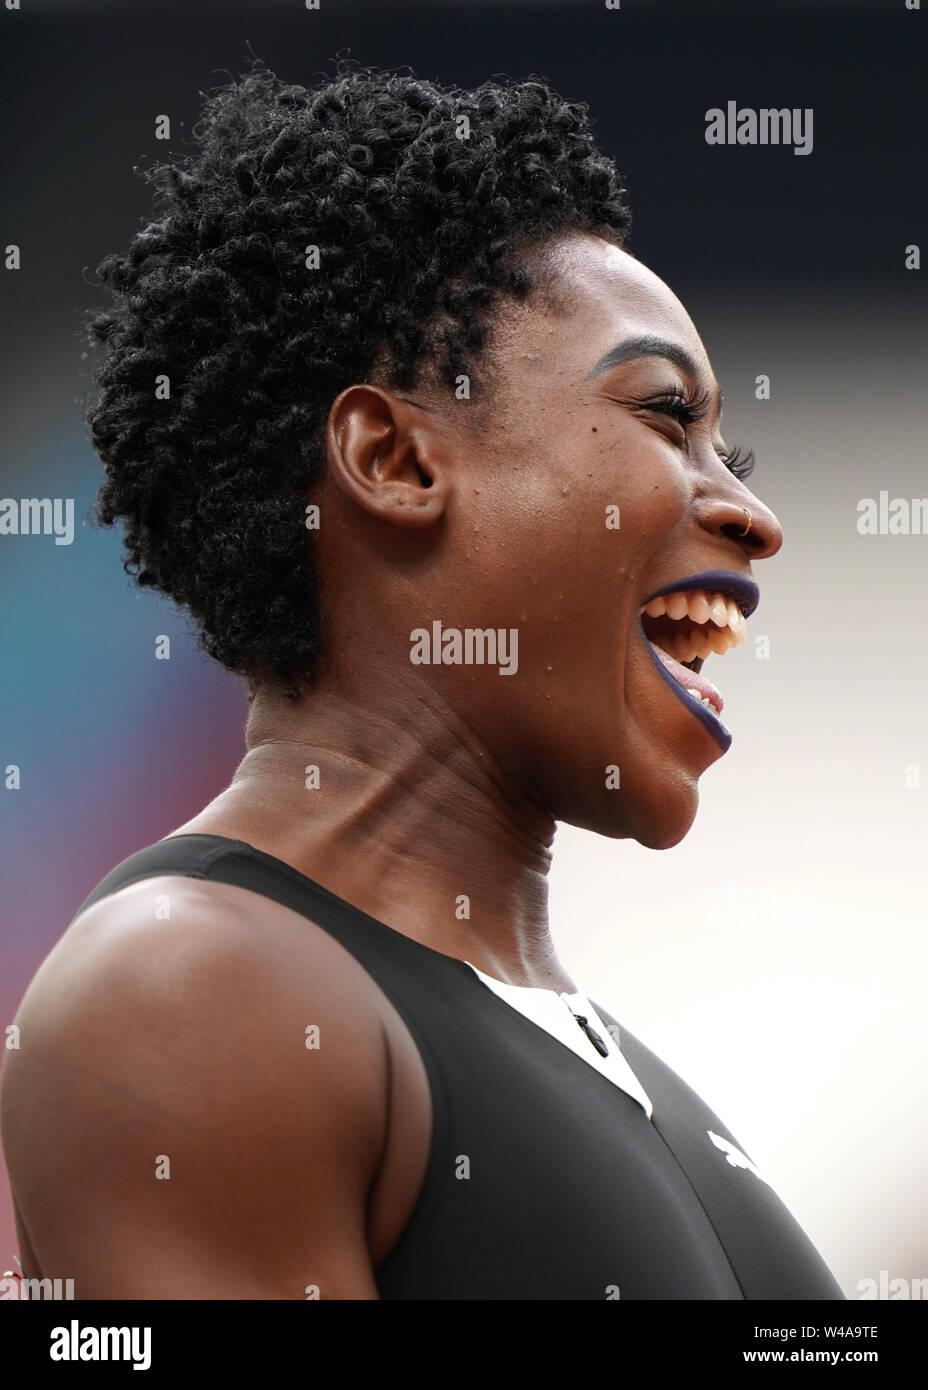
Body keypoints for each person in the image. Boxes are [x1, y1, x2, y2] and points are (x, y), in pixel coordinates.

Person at [0, 59, 843, 1299]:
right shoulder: (191, 986)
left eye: (733, 449)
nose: (752, 516)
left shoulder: (617, 1069)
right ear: (392, 458)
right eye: (669, 417)